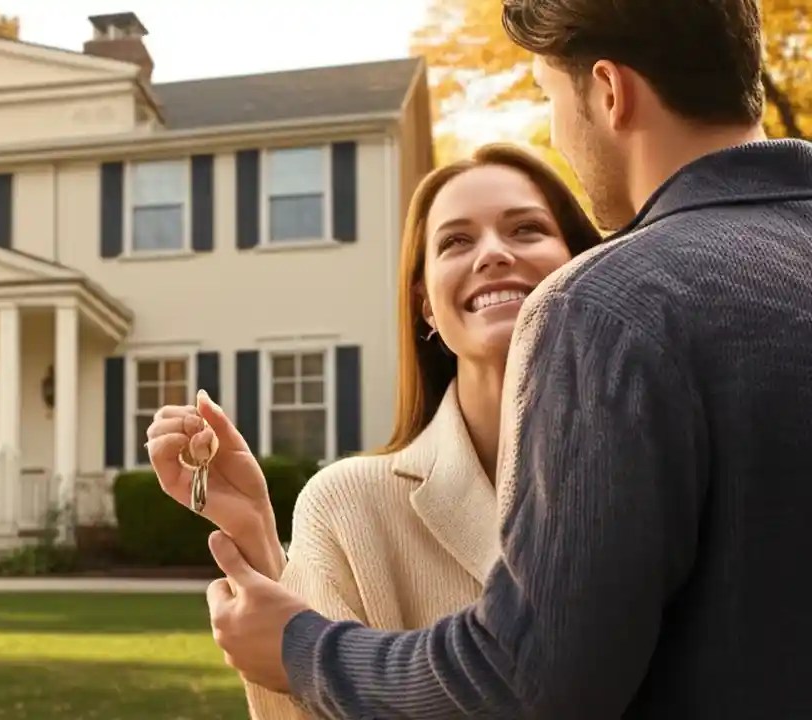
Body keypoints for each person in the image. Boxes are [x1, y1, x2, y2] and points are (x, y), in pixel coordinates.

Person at [198, 0, 812, 717]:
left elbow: (528, 686)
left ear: (610, 93)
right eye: (455, 241)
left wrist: (303, 647)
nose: (559, 131)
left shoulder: (607, 304)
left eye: (551, 98)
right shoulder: (351, 502)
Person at [145, 143, 601, 718]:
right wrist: (257, 540)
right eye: (456, 241)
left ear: (583, 267)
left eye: (527, 229)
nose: (493, 254)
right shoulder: (348, 504)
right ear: (425, 303)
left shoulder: (647, 469)